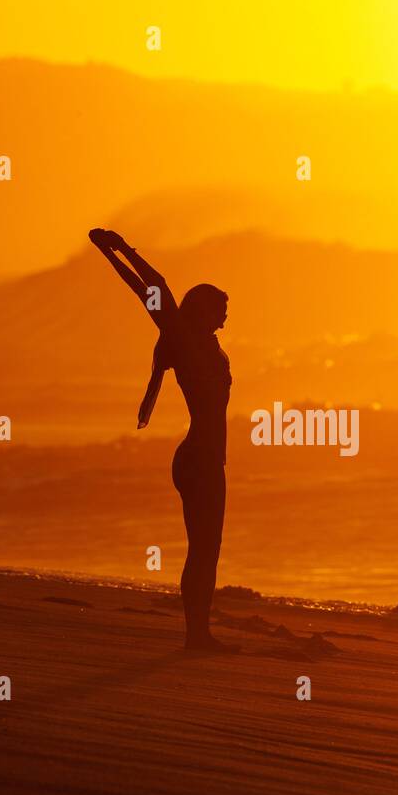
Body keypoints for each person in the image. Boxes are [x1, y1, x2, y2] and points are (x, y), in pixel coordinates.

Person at [89, 228, 237, 652]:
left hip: (207, 460)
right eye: (221, 310)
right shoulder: (185, 341)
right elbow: (152, 289)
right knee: (203, 549)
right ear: (202, 310)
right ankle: (197, 637)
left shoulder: (206, 345)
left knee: (209, 549)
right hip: (198, 462)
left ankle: (199, 634)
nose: (226, 318)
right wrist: (116, 250)